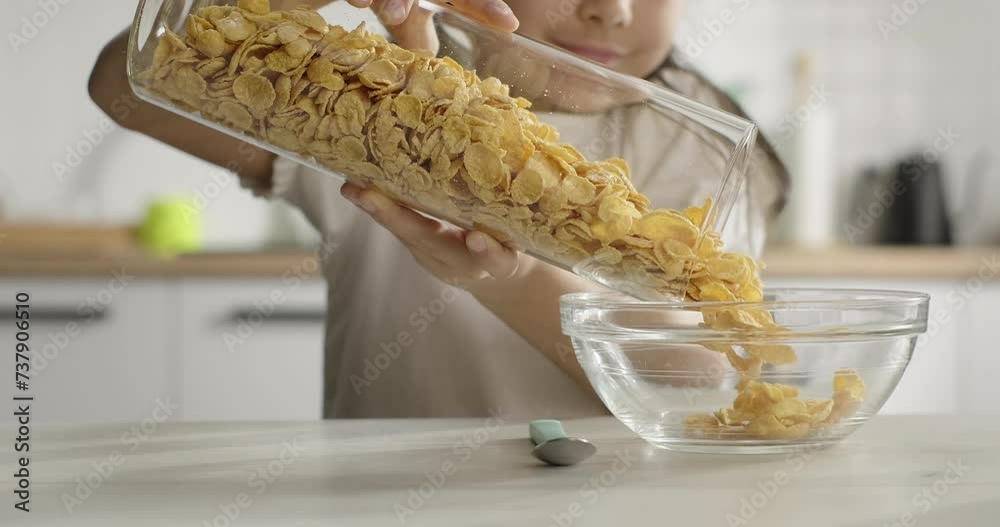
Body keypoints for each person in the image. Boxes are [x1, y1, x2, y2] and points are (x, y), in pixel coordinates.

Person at [89, 0, 787, 419]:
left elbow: (702, 382)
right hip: (375, 496)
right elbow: (124, 84)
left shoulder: (696, 144)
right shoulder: (356, 96)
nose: (613, 8)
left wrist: (504, 275)